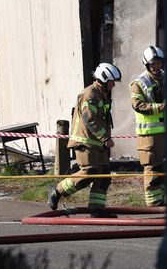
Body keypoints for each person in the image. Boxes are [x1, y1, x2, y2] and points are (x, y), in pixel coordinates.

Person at [48, 62, 120, 217]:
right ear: (103, 79)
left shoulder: (102, 94)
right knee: (89, 174)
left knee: (104, 175)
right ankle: (57, 191)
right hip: (85, 142)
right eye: (112, 82)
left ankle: (97, 209)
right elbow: (90, 120)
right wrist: (105, 137)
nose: (114, 85)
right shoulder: (90, 95)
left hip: (97, 143)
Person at [130, 45, 166, 206]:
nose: (156, 67)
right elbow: (137, 105)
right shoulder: (139, 83)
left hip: (166, 131)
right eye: (153, 64)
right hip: (148, 133)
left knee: (164, 165)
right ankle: (153, 203)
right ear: (146, 65)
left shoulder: (166, 78)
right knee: (152, 166)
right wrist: (161, 107)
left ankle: (164, 199)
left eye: (158, 63)